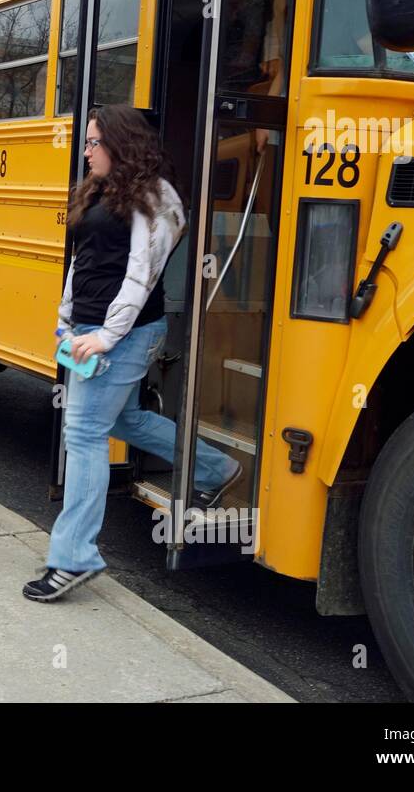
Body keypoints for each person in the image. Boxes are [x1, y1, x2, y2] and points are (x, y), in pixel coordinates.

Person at [23, 104, 242, 603]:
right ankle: (215, 469)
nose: (86, 151)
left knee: (83, 433)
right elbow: (84, 263)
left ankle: (74, 557)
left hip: (125, 333)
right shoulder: (102, 191)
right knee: (126, 421)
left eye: (93, 142)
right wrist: (67, 319)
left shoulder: (156, 197)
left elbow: (141, 273)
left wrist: (107, 334)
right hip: (90, 327)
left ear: (120, 145)